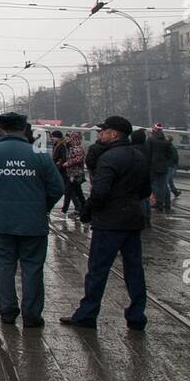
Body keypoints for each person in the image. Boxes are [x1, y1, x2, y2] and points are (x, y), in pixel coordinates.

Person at [0, 112, 63, 327]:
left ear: (1, 128)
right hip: (34, 222)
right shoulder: (39, 154)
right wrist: (42, 206)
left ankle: (8, 311)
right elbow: (57, 187)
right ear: (24, 128)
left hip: (1, 221)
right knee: (33, 267)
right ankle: (31, 315)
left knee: (5, 266)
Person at [61, 115, 152, 331]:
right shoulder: (139, 156)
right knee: (134, 269)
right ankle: (137, 316)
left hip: (109, 222)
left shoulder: (109, 158)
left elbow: (100, 192)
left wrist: (87, 211)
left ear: (114, 134)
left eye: (103, 131)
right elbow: (146, 191)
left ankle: (87, 314)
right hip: (132, 220)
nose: (99, 134)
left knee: (98, 270)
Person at [59, 131, 88, 215]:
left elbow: (79, 159)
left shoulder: (77, 148)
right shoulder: (73, 147)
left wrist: (67, 163)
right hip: (72, 173)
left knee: (69, 191)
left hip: (75, 174)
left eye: (70, 137)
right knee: (77, 192)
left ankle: (65, 210)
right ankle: (83, 207)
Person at [147, 125, 174, 215]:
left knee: (153, 184)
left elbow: (147, 152)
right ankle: (165, 203)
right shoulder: (166, 142)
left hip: (153, 166)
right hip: (163, 166)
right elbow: (170, 155)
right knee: (163, 185)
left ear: (154, 132)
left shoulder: (151, 140)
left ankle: (158, 202)